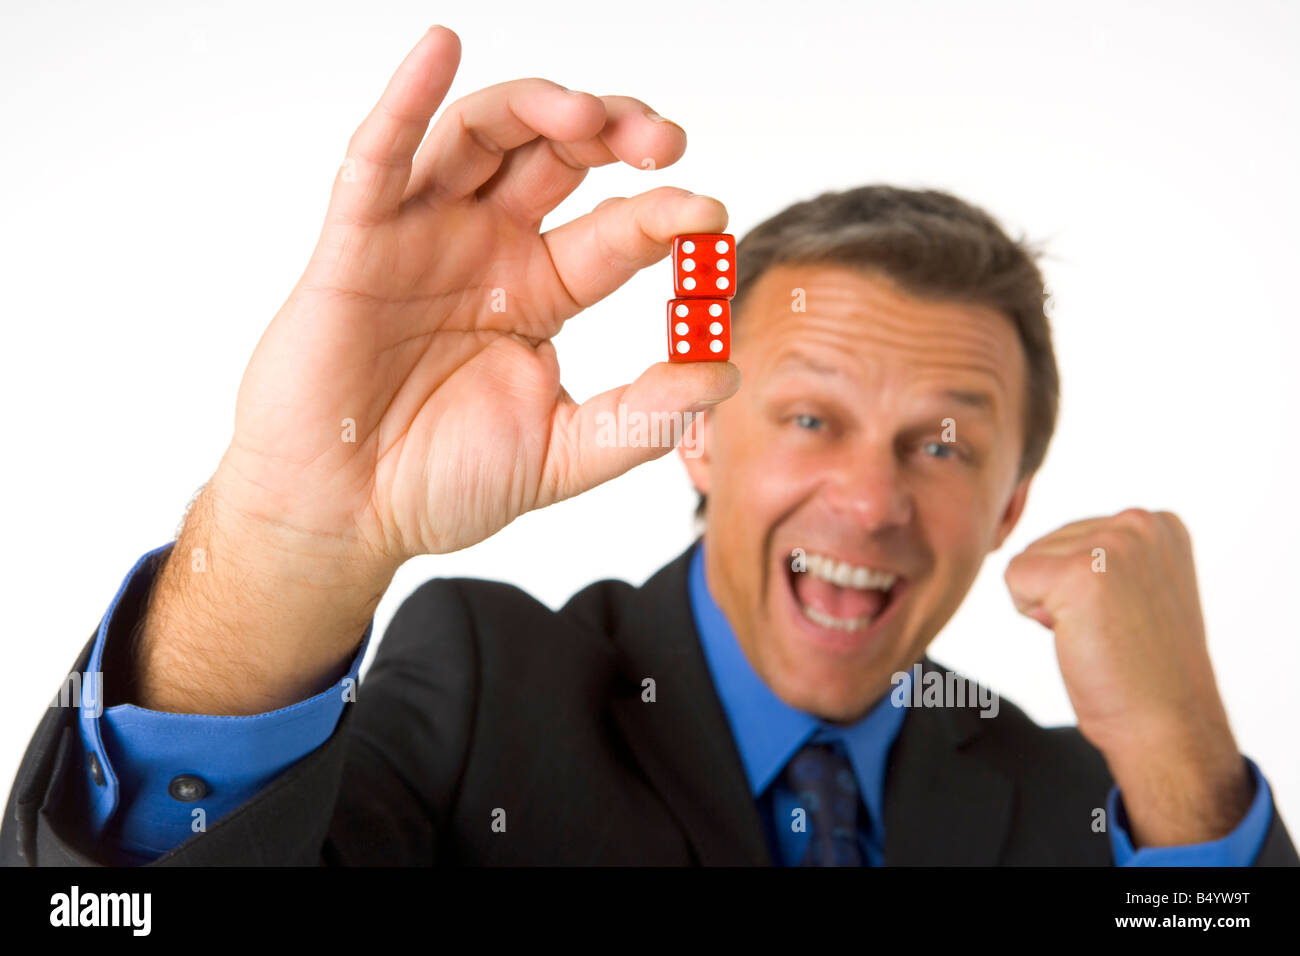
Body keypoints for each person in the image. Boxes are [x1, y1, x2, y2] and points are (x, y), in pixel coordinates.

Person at [3, 25, 1294, 867]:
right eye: (807, 418)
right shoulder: (482, 688)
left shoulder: (1090, 802)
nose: (869, 498)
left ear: (1012, 508)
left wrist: (1186, 767)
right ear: (699, 440)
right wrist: (288, 538)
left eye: (945, 447)